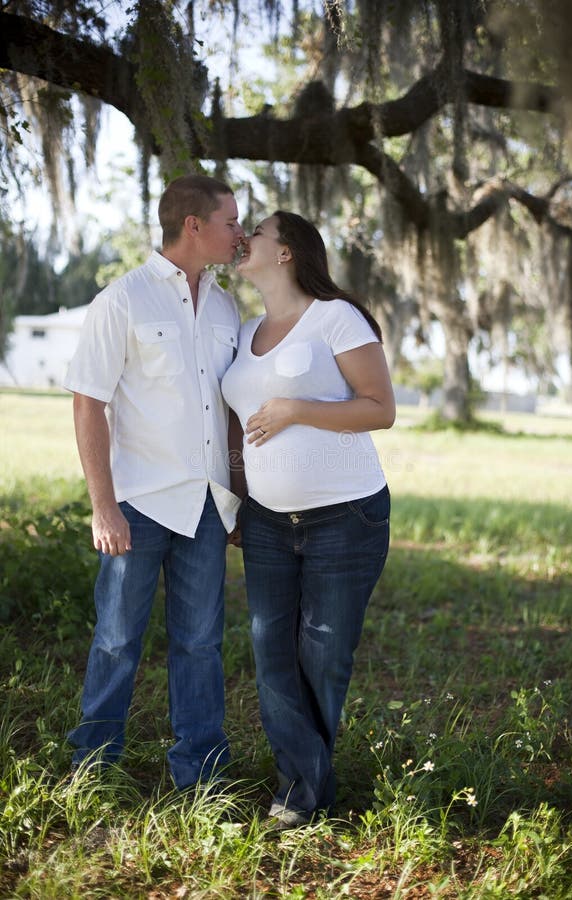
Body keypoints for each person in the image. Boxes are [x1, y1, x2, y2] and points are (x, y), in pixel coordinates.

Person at [64, 174, 245, 791]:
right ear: (194, 226)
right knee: (117, 639)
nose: (239, 234)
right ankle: (93, 767)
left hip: (206, 505)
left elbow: (231, 410)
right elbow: (88, 402)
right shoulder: (124, 299)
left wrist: (237, 495)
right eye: (231, 222)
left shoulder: (226, 306)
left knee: (201, 644)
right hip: (138, 503)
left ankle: (201, 774)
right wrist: (102, 506)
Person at [221, 210, 396, 829]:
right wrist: (238, 496)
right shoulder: (241, 332)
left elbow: (380, 409)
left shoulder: (335, 318)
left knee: (323, 654)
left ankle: (301, 788)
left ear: (288, 251)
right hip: (267, 520)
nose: (244, 240)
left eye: (257, 233)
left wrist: (297, 408)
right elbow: (237, 430)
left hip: (345, 516)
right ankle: (304, 786)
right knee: (271, 651)